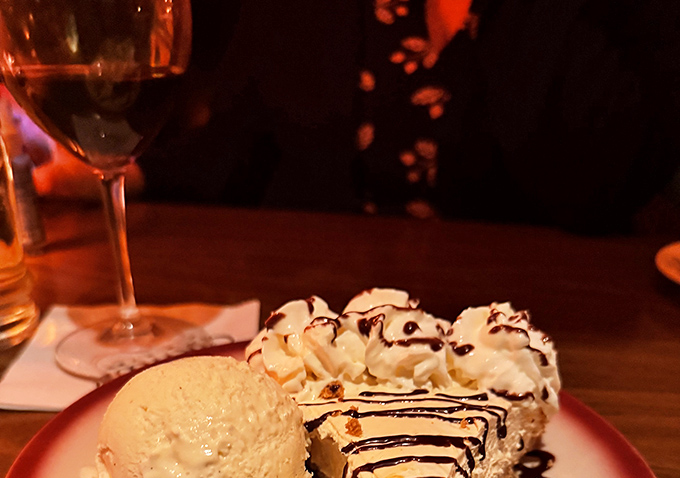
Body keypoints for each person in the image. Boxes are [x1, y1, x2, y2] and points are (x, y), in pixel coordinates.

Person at [12, 0, 680, 233]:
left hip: (558, 324)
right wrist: (128, 172)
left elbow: (600, 178)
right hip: (331, 306)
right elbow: (244, 142)